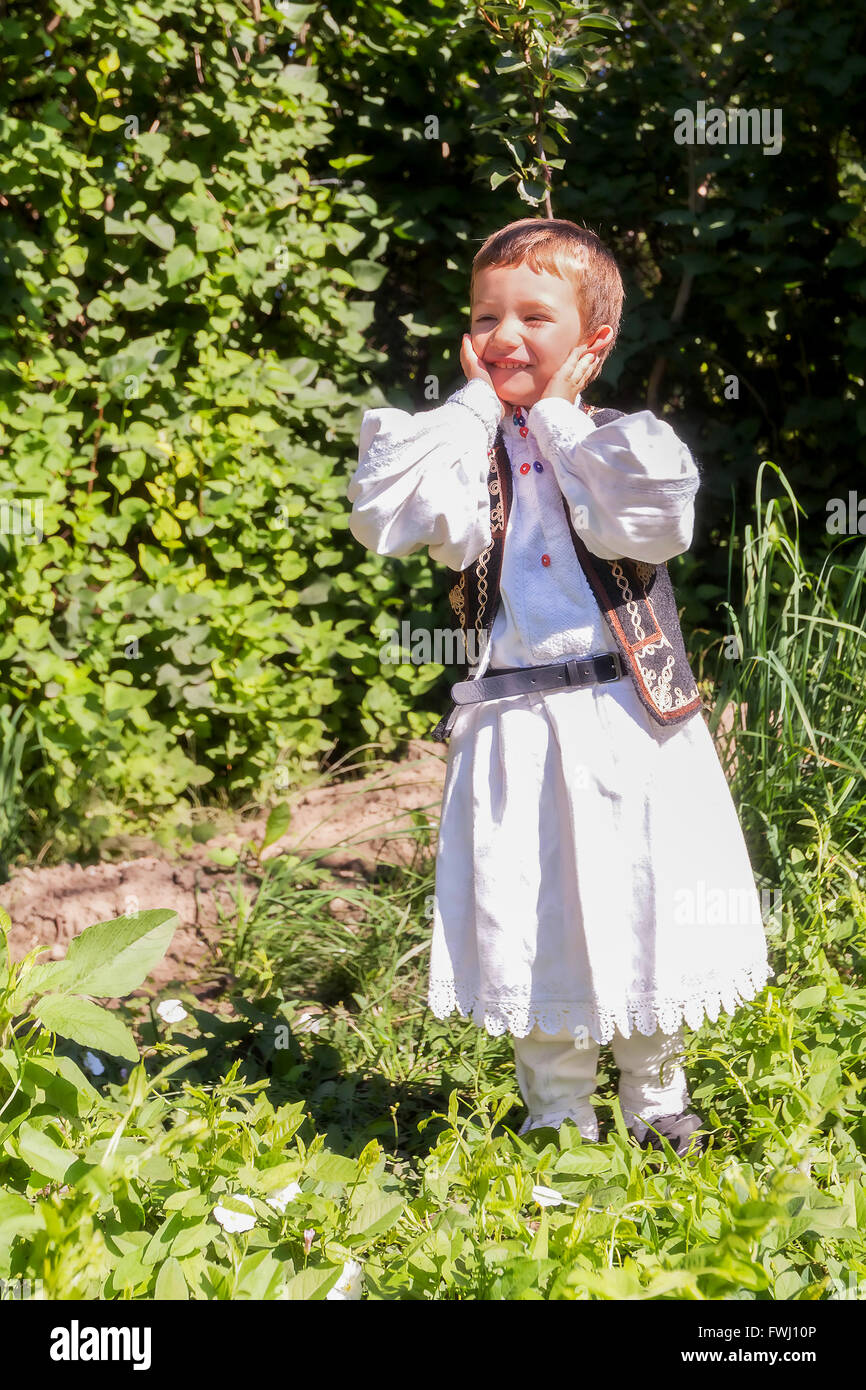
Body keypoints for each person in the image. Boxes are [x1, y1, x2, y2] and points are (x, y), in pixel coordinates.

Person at [346, 217, 772, 1156]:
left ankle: (657, 1097)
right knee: (532, 908)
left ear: (593, 342)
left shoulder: (622, 446)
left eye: (534, 317)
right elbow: (379, 509)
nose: (504, 336)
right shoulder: (464, 458)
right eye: (486, 316)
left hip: (632, 719)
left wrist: (558, 416)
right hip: (517, 724)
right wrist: (472, 407)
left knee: (648, 897)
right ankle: (556, 1117)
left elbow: (649, 525)